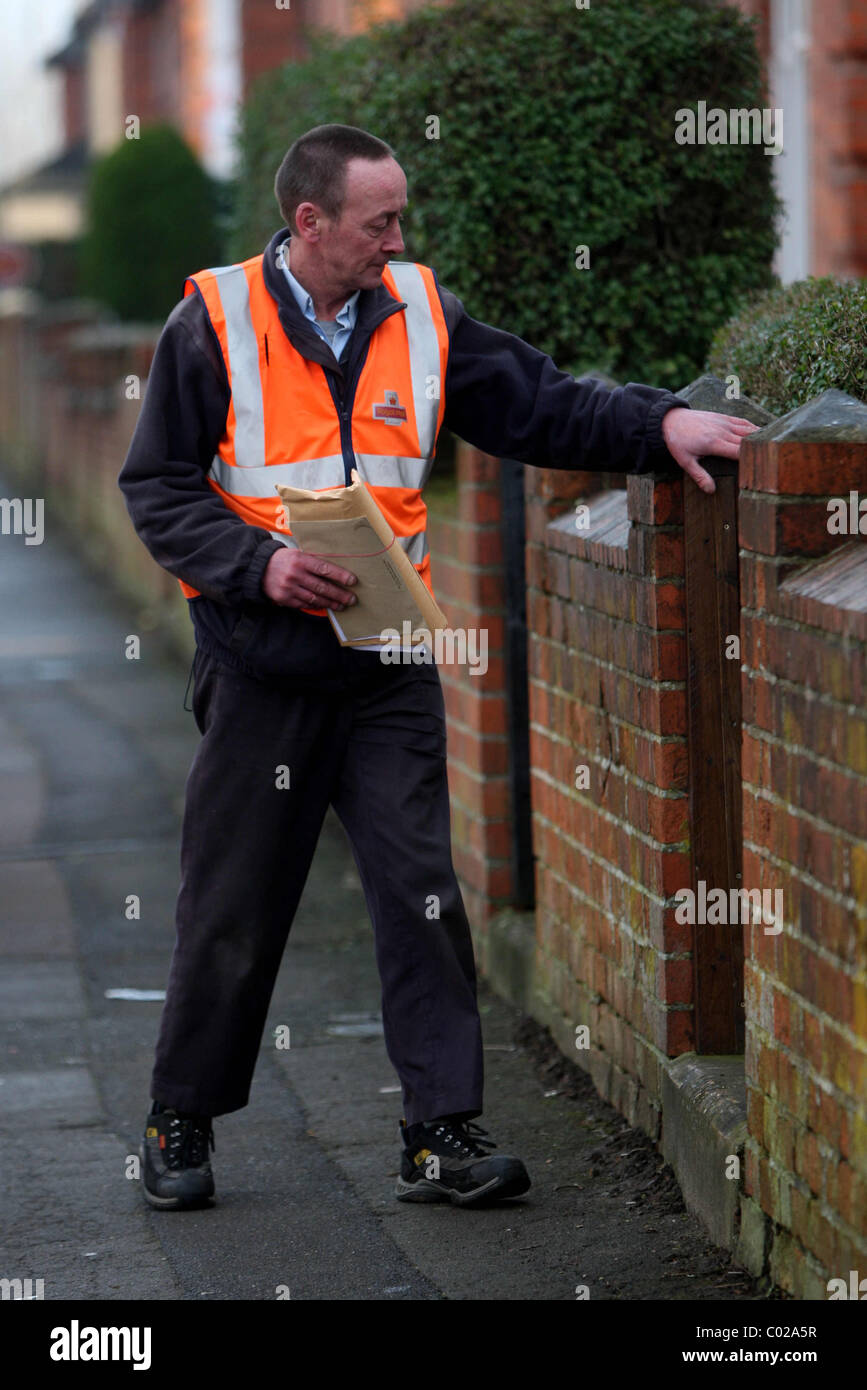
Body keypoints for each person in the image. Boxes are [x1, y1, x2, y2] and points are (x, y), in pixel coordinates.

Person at [119, 123, 756, 1211]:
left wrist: (665, 422)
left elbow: (543, 402)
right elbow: (159, 486)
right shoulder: (210, 322)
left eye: (401, 217)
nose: (398, 238)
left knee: (422, 893)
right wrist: (260, 566)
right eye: (381, 221)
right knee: (232, 903)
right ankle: (180, 1120)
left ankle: (441, 1134)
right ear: (310, 222)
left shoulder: (421, 315)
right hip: (262, 667)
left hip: (387, 665)